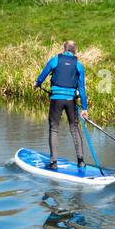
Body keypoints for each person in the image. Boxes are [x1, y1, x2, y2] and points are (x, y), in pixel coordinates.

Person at [33, 40, 88, 170]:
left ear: (64, 49)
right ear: (75, 50)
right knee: (74, 128)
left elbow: (43, 75)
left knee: (54, 129)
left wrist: (37, 83)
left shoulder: (55, 60)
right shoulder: (79, 65)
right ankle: (81, 161)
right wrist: (84, 108)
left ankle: (53, 162)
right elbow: (82, 89)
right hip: (71, 101)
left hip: (56, 100)